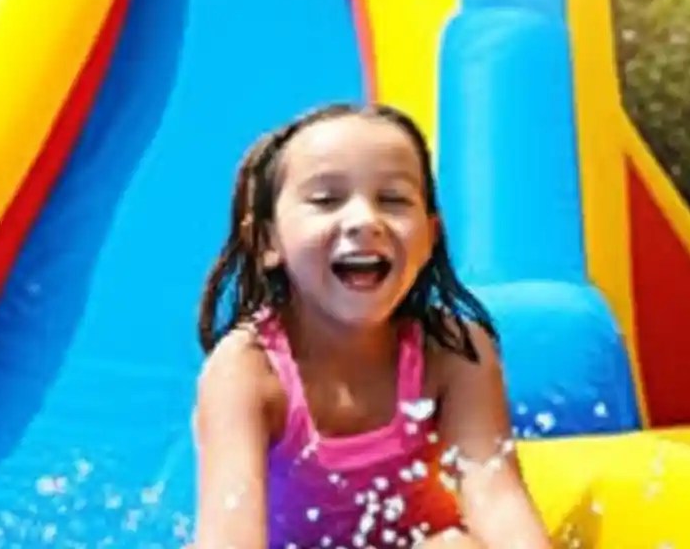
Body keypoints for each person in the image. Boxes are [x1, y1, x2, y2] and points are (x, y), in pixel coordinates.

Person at [191, 103, 550, 549]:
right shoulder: (247, 371)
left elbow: (497, 500)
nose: (364, 220)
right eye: (326, 200)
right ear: (269, 242)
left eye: (394, 200)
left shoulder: (452, 350)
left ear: (430, 236)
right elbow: (229, 537)